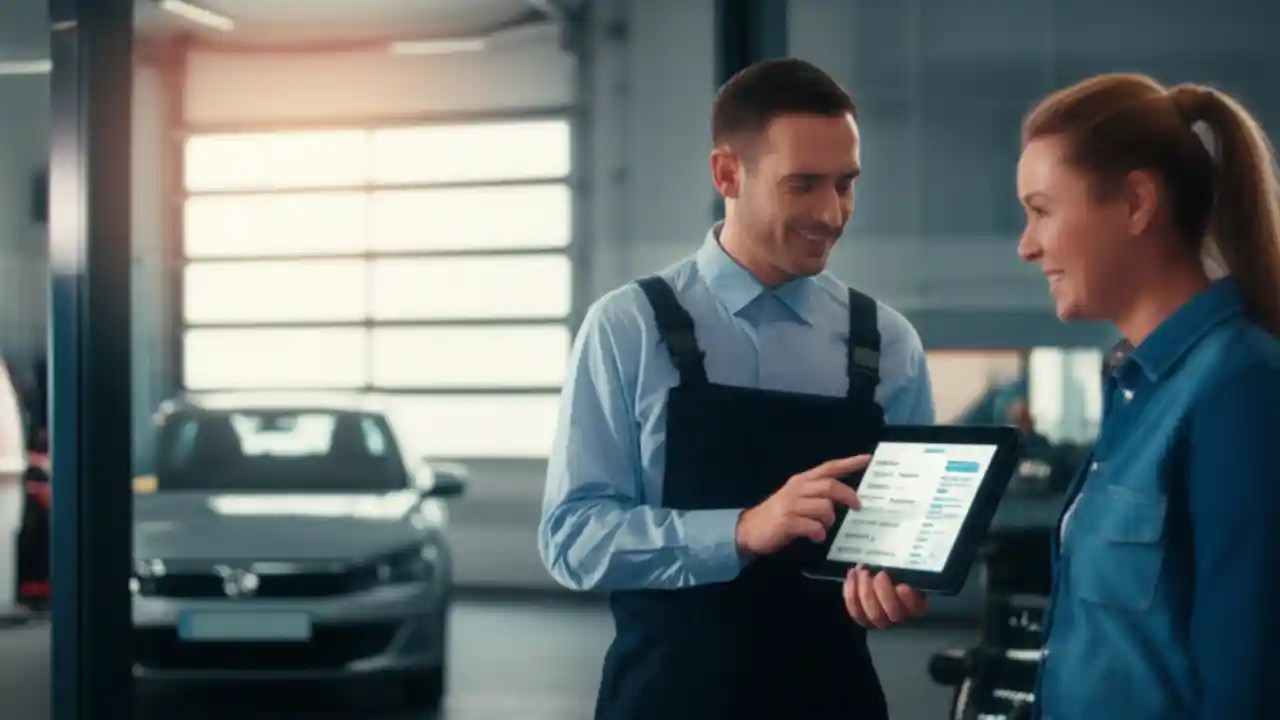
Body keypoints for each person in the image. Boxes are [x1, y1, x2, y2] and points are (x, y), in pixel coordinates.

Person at [538, 58, 935, 720]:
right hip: (666, 699)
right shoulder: (629, 328)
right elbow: (573, 539)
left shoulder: (889, 344)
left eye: (845, 184)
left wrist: (900, 584)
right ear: (727, 173)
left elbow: (907, 542)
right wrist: (744, 530)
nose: (831, 213)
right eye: (802, 185)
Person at [1014, 73, 1280, 719]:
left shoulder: (1240, 390)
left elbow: (1246, 685)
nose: (1027, 246)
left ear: (1136, 203)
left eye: (1042, 209)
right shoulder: (1135, 388)